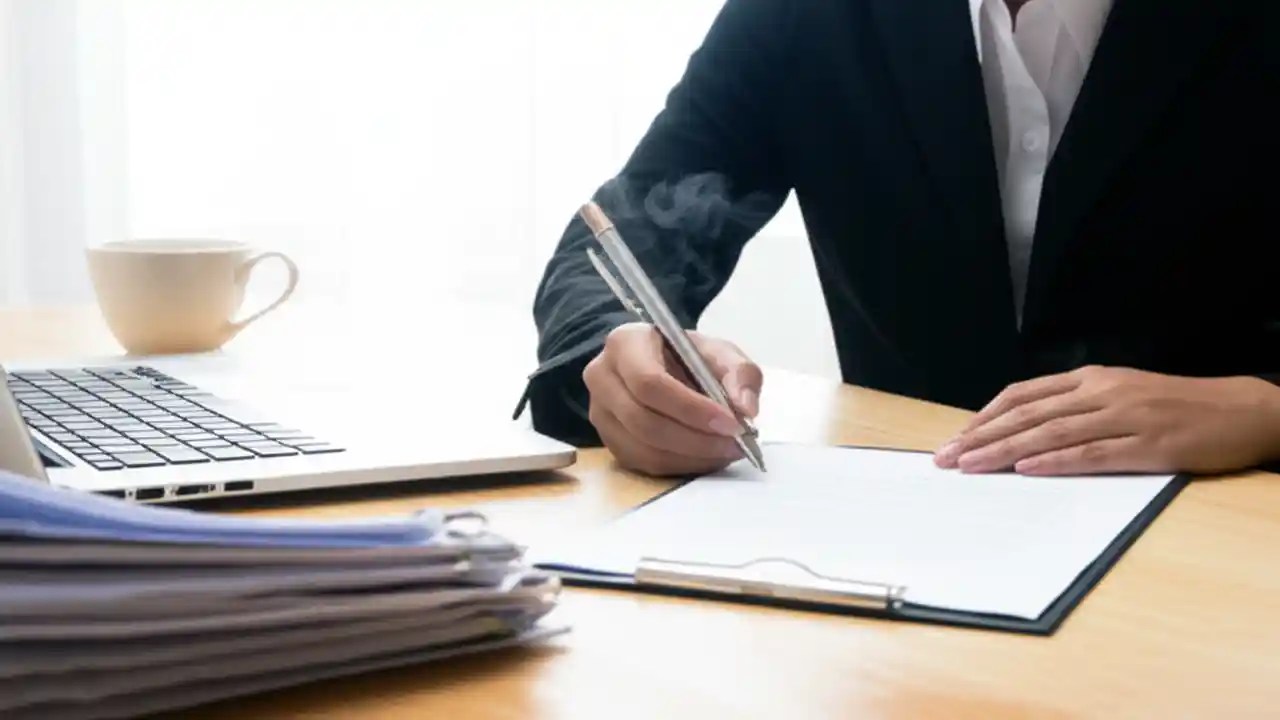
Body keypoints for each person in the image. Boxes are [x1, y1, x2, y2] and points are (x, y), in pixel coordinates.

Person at [515, 0, 1280, 478]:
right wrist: (618, 356)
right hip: (907, 541)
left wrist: (1262, 413)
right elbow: (618, 240)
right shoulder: (809, 14)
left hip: (1226, 550)